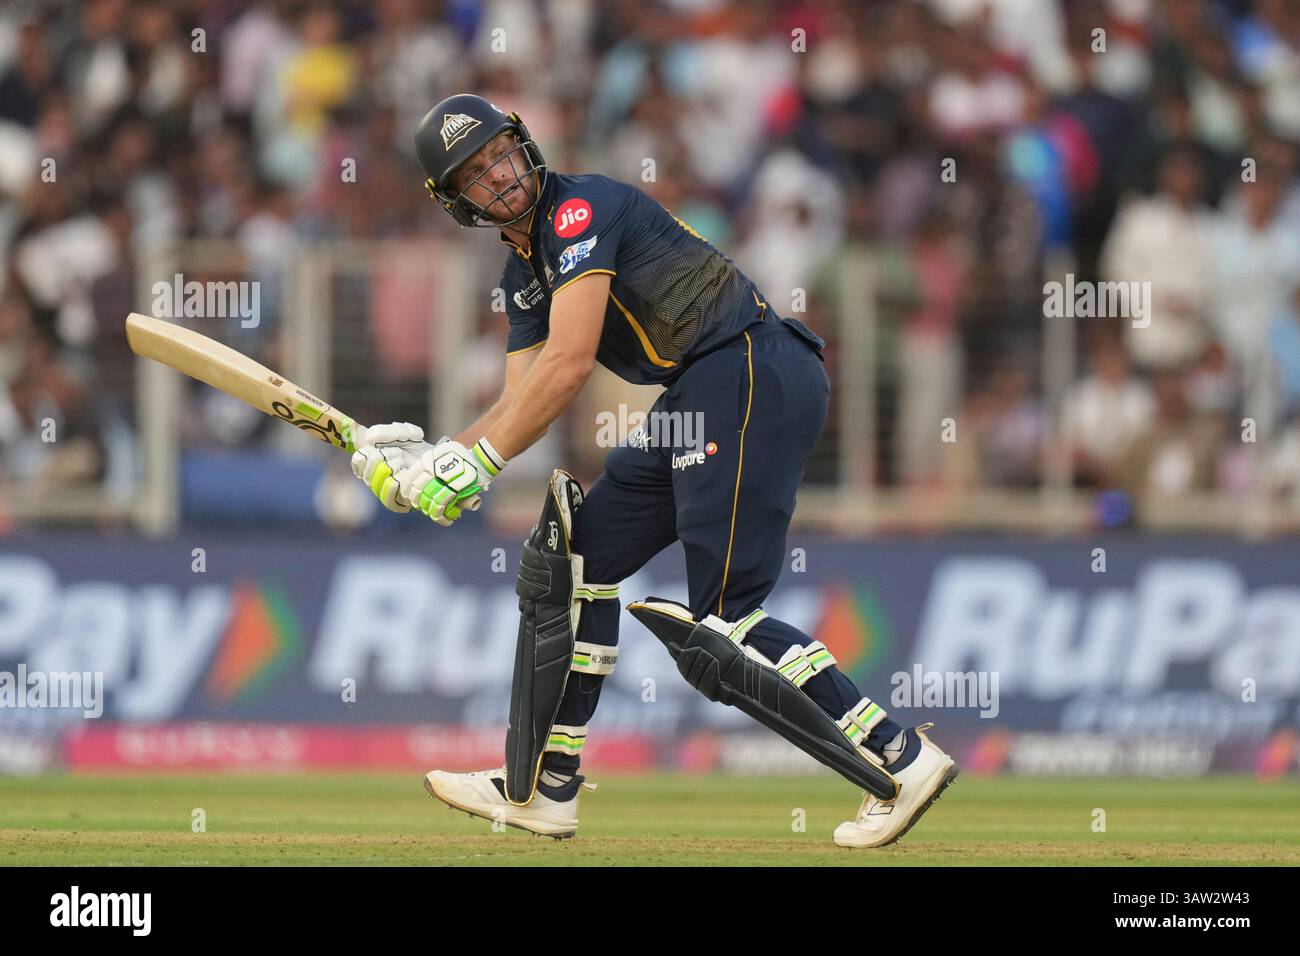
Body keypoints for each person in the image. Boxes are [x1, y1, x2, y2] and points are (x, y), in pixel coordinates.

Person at [349, 94, 957, 847]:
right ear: (454, 201)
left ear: (525, 145)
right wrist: (427, 464)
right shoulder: (522, 274)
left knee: (726, 624)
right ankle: (544, 785)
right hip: (698, 393)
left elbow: (568, 365)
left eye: (500, 153)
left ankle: (898, 758)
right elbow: (521, 399)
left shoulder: (579, 210)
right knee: (573, 565)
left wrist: (473, 462)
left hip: (749, 366)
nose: (498, 175)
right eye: (474, 173)